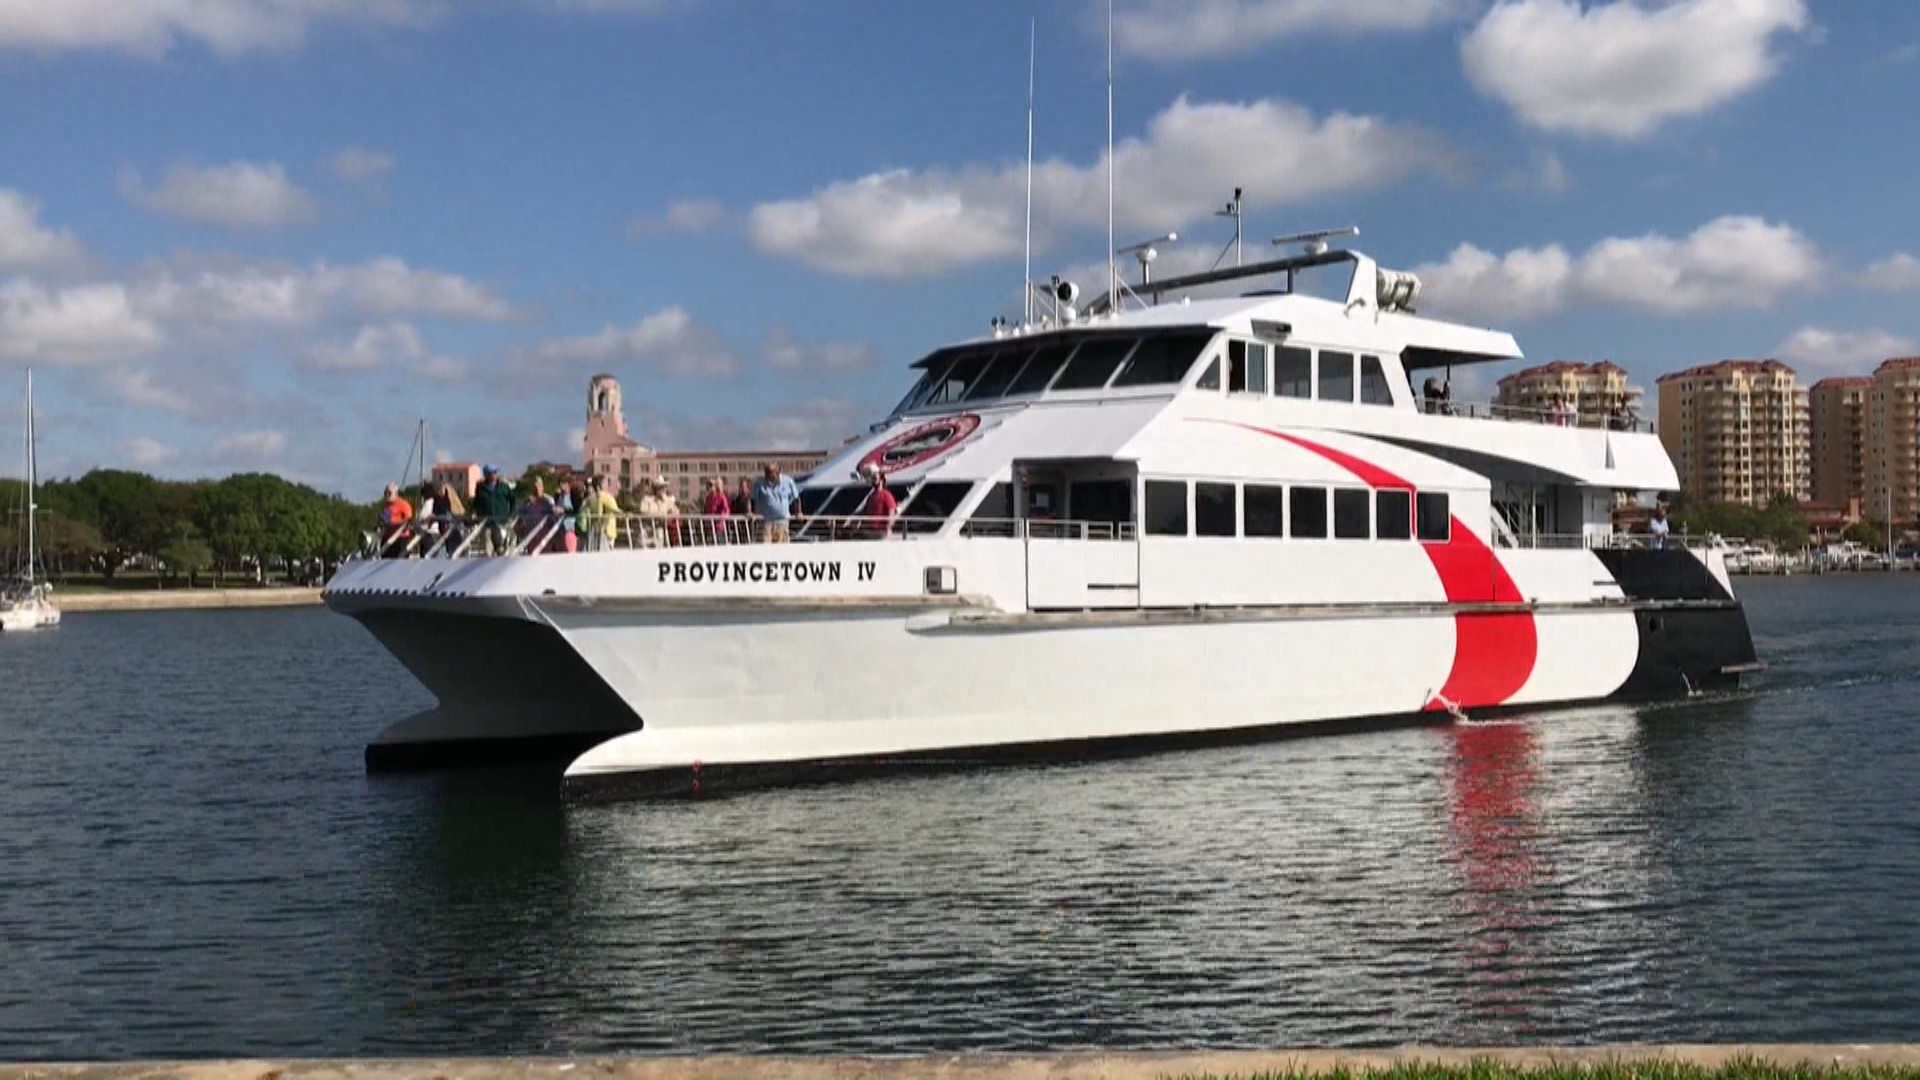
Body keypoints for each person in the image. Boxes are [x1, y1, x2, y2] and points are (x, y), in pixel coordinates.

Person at [470, 465, 516, 555]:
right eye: (492, 473)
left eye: (495, 472)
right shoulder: (480, 488)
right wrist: (474, 513)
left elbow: (512, 500)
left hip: (502, 522)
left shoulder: (503, 486)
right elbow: (476, 502)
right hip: (487, 523)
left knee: (502, 549)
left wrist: (511, 514)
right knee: (488, 548)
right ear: (486, 474)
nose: (494, 475)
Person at [751, 461, 801, 543]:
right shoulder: (759, 484)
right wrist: (750, 512)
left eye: (770, 472)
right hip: (765, 523)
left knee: (781, 551)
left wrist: (798, 512)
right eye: (766, 472)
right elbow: (751, 499)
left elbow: (796, 499)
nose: (766, 475)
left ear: (777, 472)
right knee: (763, 551)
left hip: (782, 522)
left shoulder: (788, 482)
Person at [579, 475, 622, 551]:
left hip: (592, 529)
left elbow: (582, 510)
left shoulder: (589, 498)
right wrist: (624, 514)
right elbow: (615, 510)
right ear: (600, 486)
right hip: (607, 531)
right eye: (606, 483)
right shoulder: (606, 496)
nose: (608, 485)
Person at [854, 464, 896, 539]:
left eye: (875, 478)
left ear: (881, 479)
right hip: (870, 531)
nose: (873, 480)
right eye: (872, 478)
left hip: (881, 532)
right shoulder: (871, 496)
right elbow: (866, 513)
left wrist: (887, 529)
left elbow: (891, 513)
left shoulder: (886, 495)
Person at [635, 477, 675, 548]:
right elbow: (643, 512)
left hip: (659, 529)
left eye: (664, 487)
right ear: (655, 488)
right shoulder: (647, 499)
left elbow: (676, 512)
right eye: (661, 487)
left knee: (658, 549)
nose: (663, 490)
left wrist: (668, 517)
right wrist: (660, 515)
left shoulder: (668, 500)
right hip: (646, 529)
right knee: (641, 549)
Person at [377, 483, 413, 558]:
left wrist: (393, 524)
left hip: (400, 538)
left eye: (389, 493)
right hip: (388, 537)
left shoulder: (403, 504)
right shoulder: (386, 505)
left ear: (396, 493)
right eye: (385, 492)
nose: (387, 495)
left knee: (400, 562)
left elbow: (408, 520)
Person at [701, 477, 731, 544]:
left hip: (719, 528)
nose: (710, 488)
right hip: (709, 528)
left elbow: (726, 510)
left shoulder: (721, 497)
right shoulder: (708, 498)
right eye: (708, 486)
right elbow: (705, 511)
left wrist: (719, 518)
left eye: (711, 485)